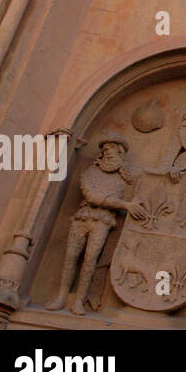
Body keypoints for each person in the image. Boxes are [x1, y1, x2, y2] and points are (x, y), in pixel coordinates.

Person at [45, 133, 146, 315]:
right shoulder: (90, 173)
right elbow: (91, 196)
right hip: (82, 218)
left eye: (111, 150)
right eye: (105, 150)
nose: (108, 154)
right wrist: (124, 204)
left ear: (119, 153)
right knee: (71, 257)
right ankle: (61, 296)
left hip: (103, 222)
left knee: (91, 260)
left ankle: (79, 301)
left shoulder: (125, 179)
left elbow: (140, 194)